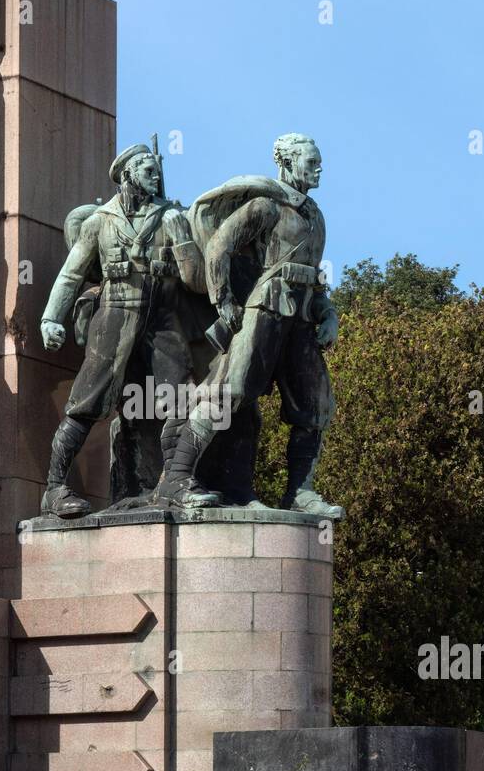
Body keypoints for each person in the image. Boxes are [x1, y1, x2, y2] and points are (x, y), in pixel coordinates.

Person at [157, 133, 344, 518]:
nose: (320, 167)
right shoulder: (266, 206)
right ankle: (176, 478)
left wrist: (330, 315)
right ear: (289, 162)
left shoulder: (316, 216)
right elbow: (219, 247)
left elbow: (314, 276)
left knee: (316, 404)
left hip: (304, 317)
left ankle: (299, 491)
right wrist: (223, 300)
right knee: (230, 391)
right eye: (313, 160)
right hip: (267, 308)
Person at [39, 143, 220, 517]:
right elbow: (71, 274)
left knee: (180, 397)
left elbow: (198, 282)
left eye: (157, 169)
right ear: (127, 174)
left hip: (162, 319)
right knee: (87, 401)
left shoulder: (172, 216)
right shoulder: (100, 222)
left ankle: (175, 481)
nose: (154, 175)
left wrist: (182, 238)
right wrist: (50, 318)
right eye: (147, 169)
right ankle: (54, 488)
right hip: (114, 315)